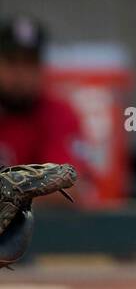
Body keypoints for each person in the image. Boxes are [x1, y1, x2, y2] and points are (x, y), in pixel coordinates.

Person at [0, 17, 88, 182]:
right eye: (12, 62)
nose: (20, 74)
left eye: (29, 63)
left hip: (38, 209)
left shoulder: (59, 114)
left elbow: (66, 186)